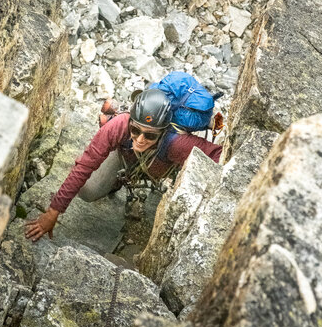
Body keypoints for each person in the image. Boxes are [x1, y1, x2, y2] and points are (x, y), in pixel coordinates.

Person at [24, 88, 222, 242]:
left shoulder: (176, 144)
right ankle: (117, 180)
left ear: (162, 132)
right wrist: (53, 212)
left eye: (150, 135)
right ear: (130, 123)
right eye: (136, 130)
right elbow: (85, 165)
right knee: (87, 191)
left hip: (163, 165)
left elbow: (218, 155)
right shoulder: (120, 125)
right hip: (125, 157)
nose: (141, 139)